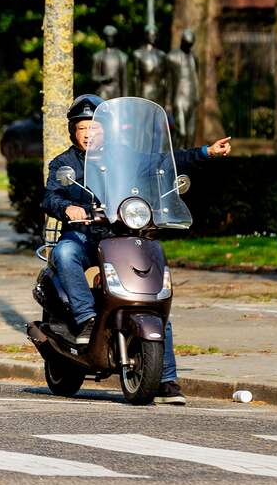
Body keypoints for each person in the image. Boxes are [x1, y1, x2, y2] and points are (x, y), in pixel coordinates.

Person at [42, 94, 231, 405]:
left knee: (151, 294)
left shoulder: (124, 157)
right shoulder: (64, 164)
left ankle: (166, 378)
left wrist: (206, 152)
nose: (90, 133)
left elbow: (165, 163)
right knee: (64, 254)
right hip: (86, 236)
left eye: (96, 127)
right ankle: (87, 317)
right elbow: (50, 197)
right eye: (83, 128)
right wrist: (69, 209)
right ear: (73, 132)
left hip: (121, 234)